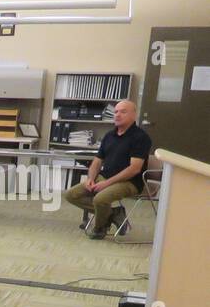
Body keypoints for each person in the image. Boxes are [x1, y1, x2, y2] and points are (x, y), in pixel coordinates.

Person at [63, 99, 151, 239]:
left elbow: (134, 169)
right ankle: (113, 213)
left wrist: (106, 183)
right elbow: (97, 162)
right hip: (105, 177)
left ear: (134, 115)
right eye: (115, 112)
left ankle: (100, 229)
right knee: (70, 195)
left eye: (123, 112)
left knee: (100, 199)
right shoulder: (109, 135)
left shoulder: (140, 137)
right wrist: (90, 179)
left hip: (130, 182)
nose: (117, 115)